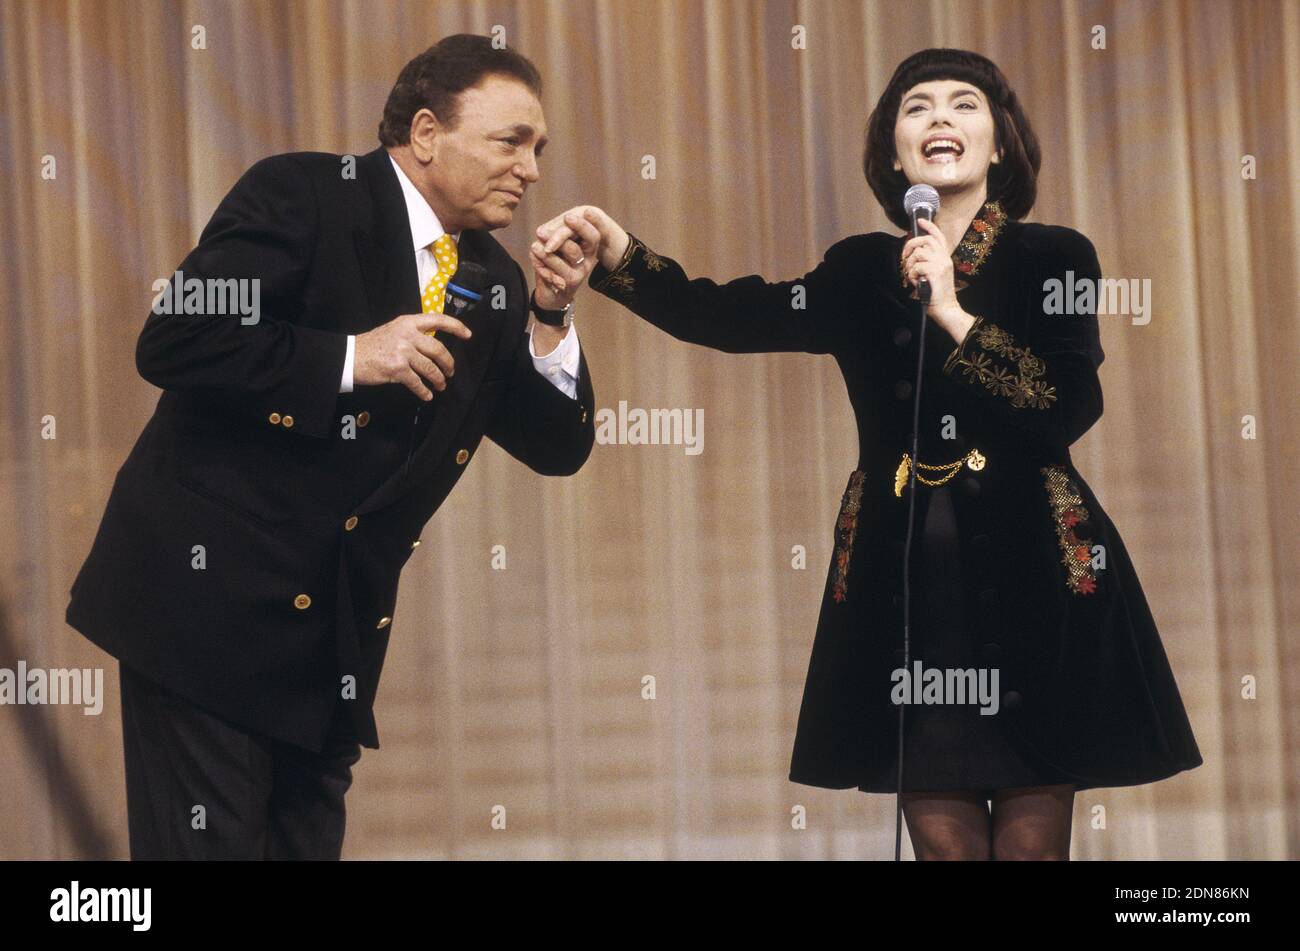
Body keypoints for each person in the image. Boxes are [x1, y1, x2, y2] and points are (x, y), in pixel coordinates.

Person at [531, 48, 1202, 861]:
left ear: (1000, 143)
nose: (941, 119)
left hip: (1039, 581)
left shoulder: (1054, 256)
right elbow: (731, 316)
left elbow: (1066, 405)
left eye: (965, 105)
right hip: (906, 582)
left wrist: (954, 313)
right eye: (918, 107)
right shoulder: (858, 271)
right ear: (893, 150)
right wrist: (620, 254)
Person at [65, 34, 598, 859]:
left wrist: (553, 316)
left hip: (329, 659)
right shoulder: (304, 194)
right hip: (205, 620)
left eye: (539, 149)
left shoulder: (490, 282)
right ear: (426, 133)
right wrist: (354, 355)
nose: (531, 168)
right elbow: (175, 338)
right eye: (510, 141)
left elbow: (558, 445)